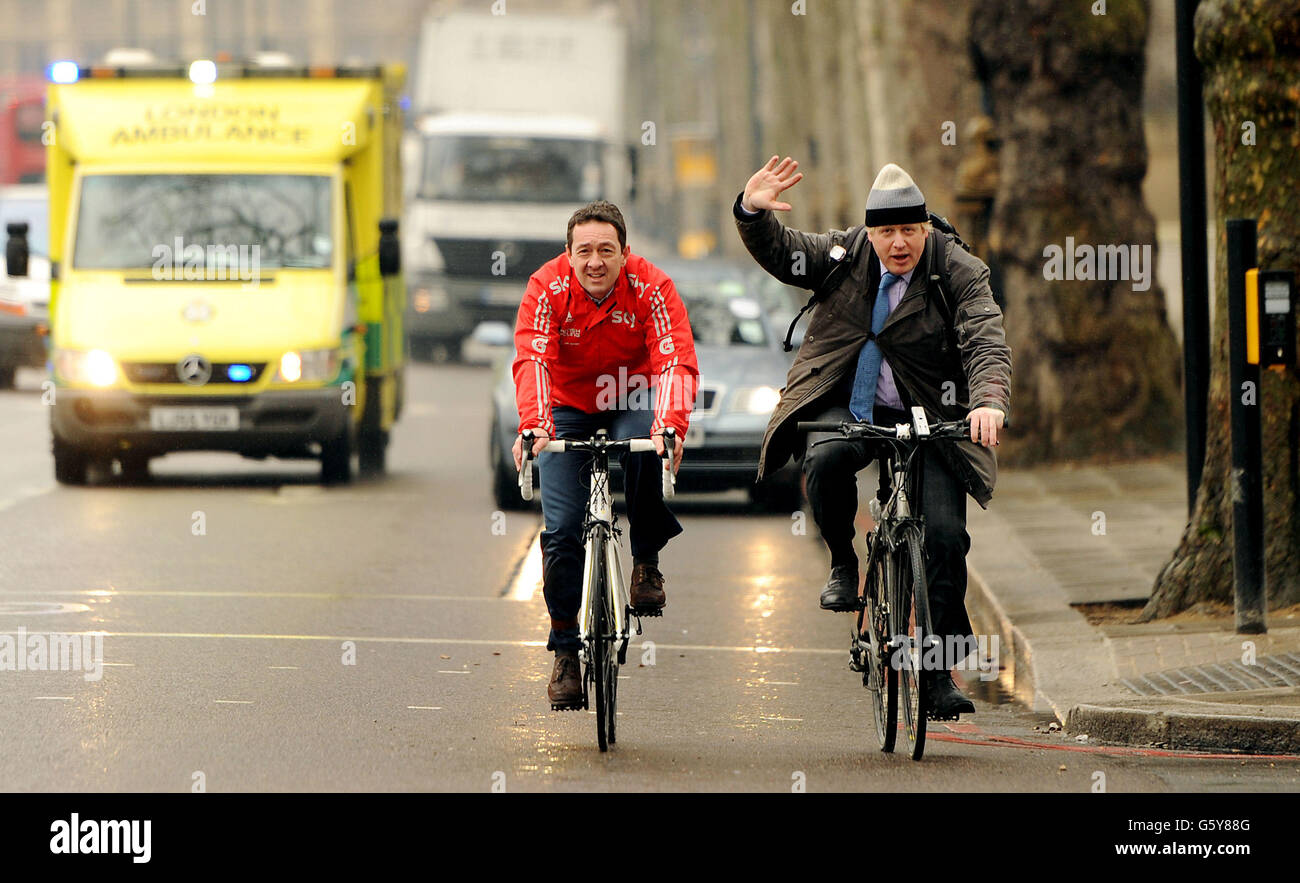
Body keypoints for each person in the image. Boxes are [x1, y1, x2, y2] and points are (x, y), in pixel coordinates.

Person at [734, 157, 1012, 718]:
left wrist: (986, 401)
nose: (898, 242)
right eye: (886, 231)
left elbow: (985, 337)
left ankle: (938, 675)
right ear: (870, 232)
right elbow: (784, 251)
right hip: (848, 400)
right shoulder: (844, 254)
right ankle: (842, 562)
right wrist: (751, 212)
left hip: (930, 410)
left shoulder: (956, 267)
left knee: (945, 538)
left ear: (925, 228)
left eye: (909, 229)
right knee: (827, 458)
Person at [512, 200, 699, 711]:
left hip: (631, 395)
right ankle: (566, 653)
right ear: (568, 255)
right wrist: (534, 426)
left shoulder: (651, 285)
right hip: (566, 405)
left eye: (606, 251)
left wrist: (670, 428)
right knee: (562, 531)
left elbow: (675, 359)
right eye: (584, 251)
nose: (595, 262)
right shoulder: (545, 288)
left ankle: (645, 561)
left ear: (625, 253)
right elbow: (532, 359)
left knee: (647, 448)